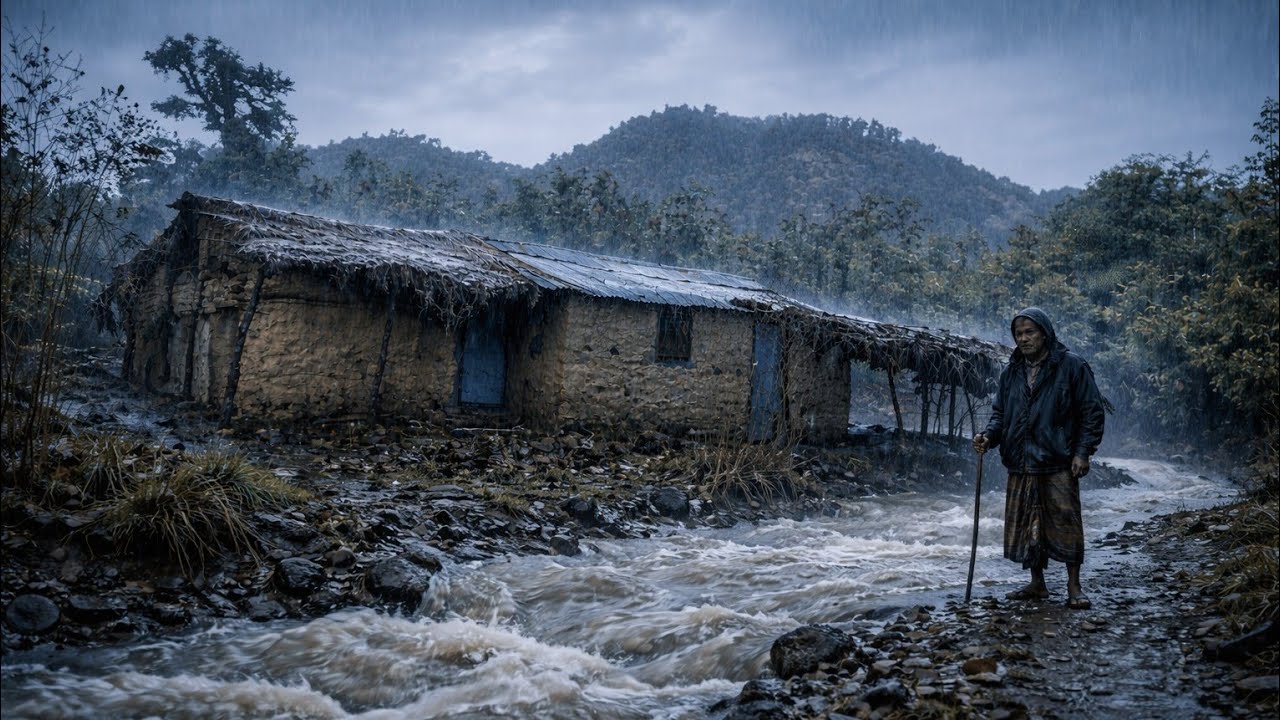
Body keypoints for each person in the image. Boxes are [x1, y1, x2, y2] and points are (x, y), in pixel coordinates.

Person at [973, 307, 1105, 610]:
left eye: (1030, 332)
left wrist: (1083, 452)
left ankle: (1074, 586)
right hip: (1021, 461)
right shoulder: (1012, 373)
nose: (1023, 339)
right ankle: (1037, 584)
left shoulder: (1071, 366)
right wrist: (989, 437)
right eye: (1018, 333)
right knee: (1028, 524)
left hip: (1057, 460)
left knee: (1065, 522)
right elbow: (1000, 415)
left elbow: (1091, 412)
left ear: (1045, 333)